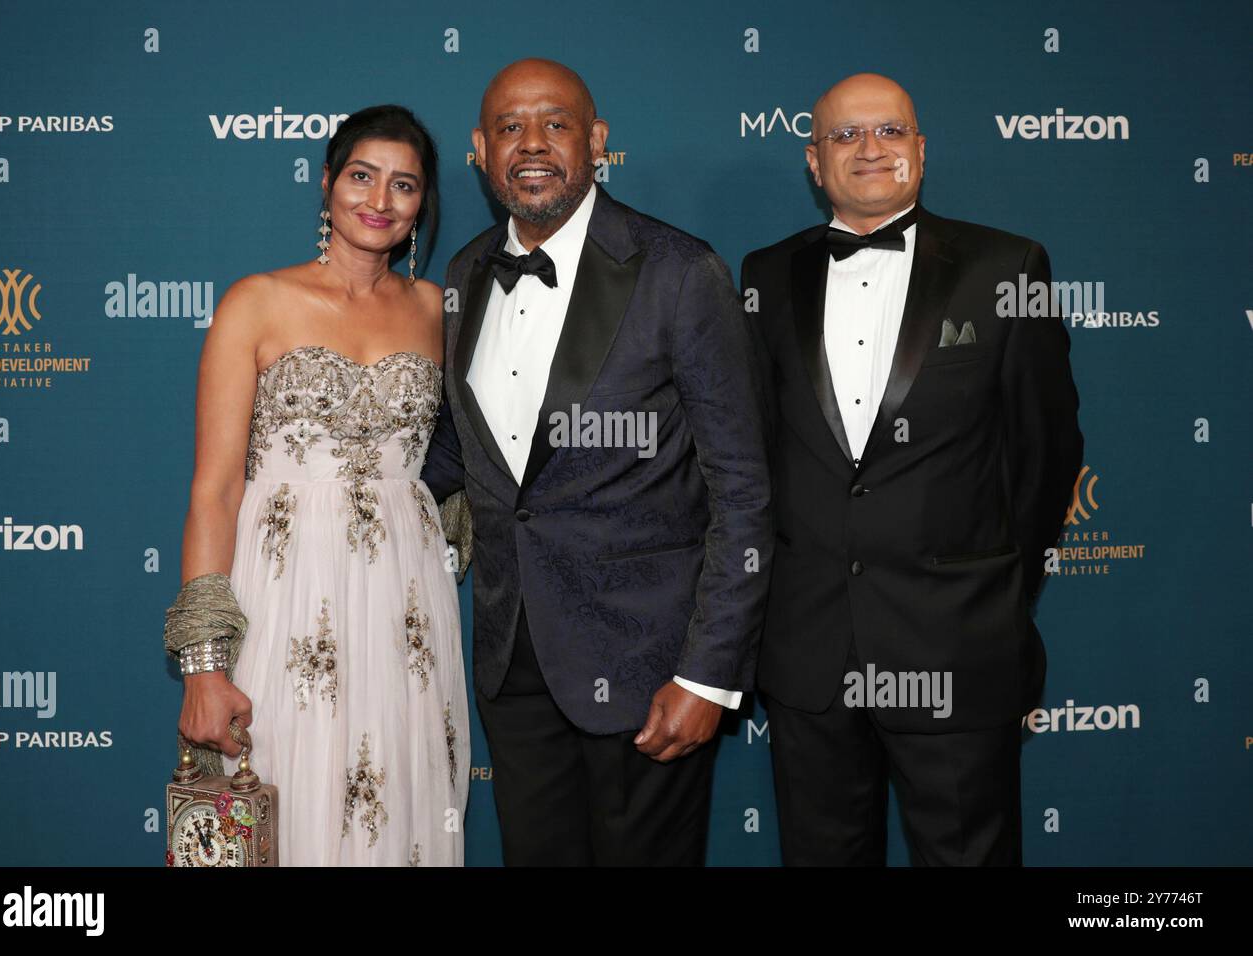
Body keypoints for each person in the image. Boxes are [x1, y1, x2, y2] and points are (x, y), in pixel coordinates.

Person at [421, 58, 772, 866]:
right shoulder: (467, 274)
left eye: (556, 123)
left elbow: (743, 491)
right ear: (480, 148)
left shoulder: (680, 271)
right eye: (510, 127)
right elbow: (466, 453)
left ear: (597, 140)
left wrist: (708, 677)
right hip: (514, 667)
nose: (532, 143)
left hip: (650, 670)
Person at [741, 73, 1082, 865]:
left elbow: (1046, 456)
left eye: (889, 132)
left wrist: (989, 588)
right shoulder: (763, 275)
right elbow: (753, 451)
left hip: (957, 646)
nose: (869, 149)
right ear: (813, 160)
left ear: (921, 151)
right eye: (845, 135)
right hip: (809, 654)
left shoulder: (1008, 266)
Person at [168, 105, 470, 866]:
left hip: (406, 604)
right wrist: (205, 668)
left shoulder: (441, 311)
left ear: (421, 206)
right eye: (362, 176)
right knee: (285, 798)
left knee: (402, 805)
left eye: (405, 185)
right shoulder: (257, 302)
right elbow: (215, 493)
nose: (380, 199)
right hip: (286, 594)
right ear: (328, 183)